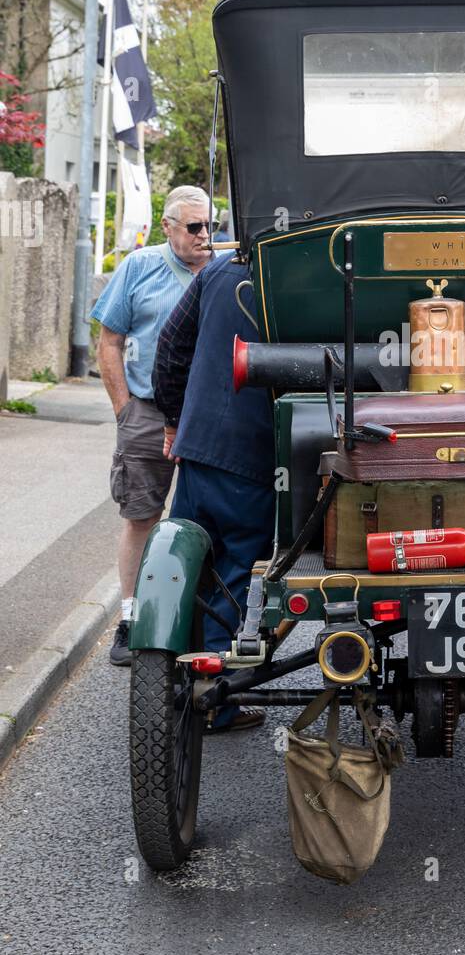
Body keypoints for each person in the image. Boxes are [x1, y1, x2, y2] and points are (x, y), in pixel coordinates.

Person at [153, 253, 276, 732]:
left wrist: (173, 418)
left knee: (183, 565)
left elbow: (171, 347)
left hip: (200, 441)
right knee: (237, 570)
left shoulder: (220, 270)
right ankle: (214, 697)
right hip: (254, 449)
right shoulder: (308, 267)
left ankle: (165, 680)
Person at [92, 186, 214, 665]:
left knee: (211, 517)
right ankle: (130, 619)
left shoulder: (226, 270)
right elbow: (109, 341)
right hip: (147, 411)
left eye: (210, 226)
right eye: (194, 227)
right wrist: (124, 409)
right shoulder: (140, 267)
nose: (205, 236)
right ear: (168, 227)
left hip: (208, 417)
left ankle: (200, 621)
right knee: (142, 515)